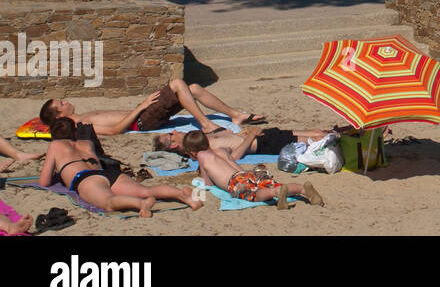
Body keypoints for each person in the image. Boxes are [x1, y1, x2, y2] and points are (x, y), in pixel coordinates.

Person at [41, 118, 202, 217]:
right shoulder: (86, 143)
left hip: (85, 179)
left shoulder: (55, 145)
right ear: (75, 132)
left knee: (108, 202)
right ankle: (182, 195)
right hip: (108, 173)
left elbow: (44, 181)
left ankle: (141, 205)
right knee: (147, 191)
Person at [40, 80, 267, 136]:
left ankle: (236, 116)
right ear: (60, 114)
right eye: (61, 103)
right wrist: (141, 107)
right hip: (142, 121)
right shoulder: (79, 124)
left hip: (143, 114)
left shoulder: (82, 116)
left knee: (194, 88)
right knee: (178, 84)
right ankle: (206, 124)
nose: (65, 101)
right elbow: (114, 130)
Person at [182, 132, 323, 208]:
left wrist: (202, 179)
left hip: (236, 182)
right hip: (248, 174)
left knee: (256, 195)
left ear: (193, 153)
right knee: (270, 183)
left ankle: (276, 192)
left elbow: (208, 184)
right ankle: (302, 189)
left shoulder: (201, 156)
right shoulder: (220, 150)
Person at [155, 124, 332, 160]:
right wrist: (251, 136)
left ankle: (333, 134)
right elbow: (236, 155)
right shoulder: (200, 149)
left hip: (258, 136)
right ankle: (339, 139)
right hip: (262, 144)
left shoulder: (196, 139)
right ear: (173, 145)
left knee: (315, 132)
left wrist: (243, 132)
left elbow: (227, 138)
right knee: (312, 140)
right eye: (171, 134)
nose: (176, 131)